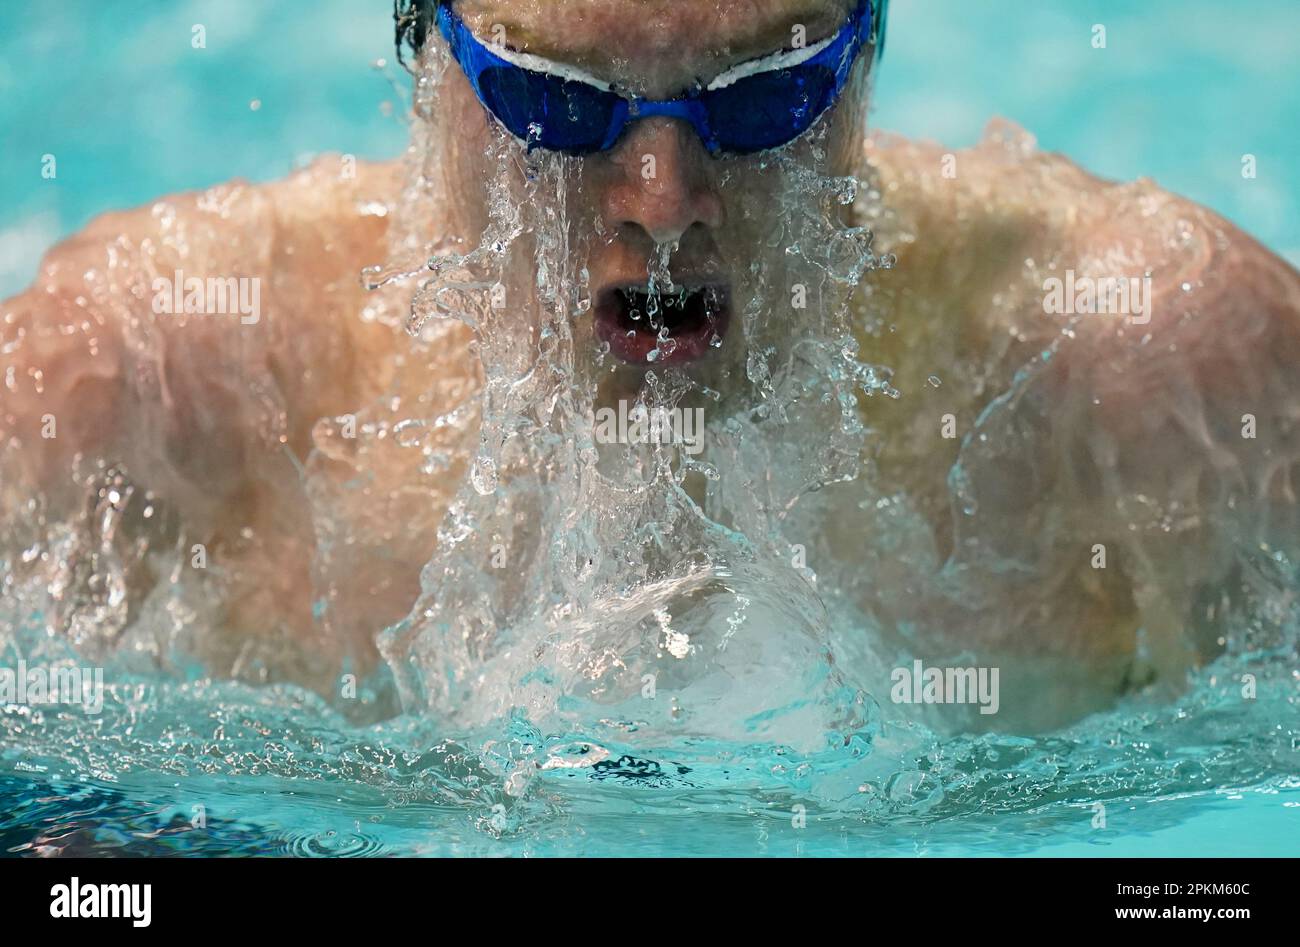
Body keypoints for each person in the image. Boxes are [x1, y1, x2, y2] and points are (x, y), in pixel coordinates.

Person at [2, 0, 1297, 727]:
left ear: (866, 54)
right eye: (556, 103)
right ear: (426, 60)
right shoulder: (143, 384)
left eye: (761, 96)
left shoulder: (1168, 379)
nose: (663, 198)